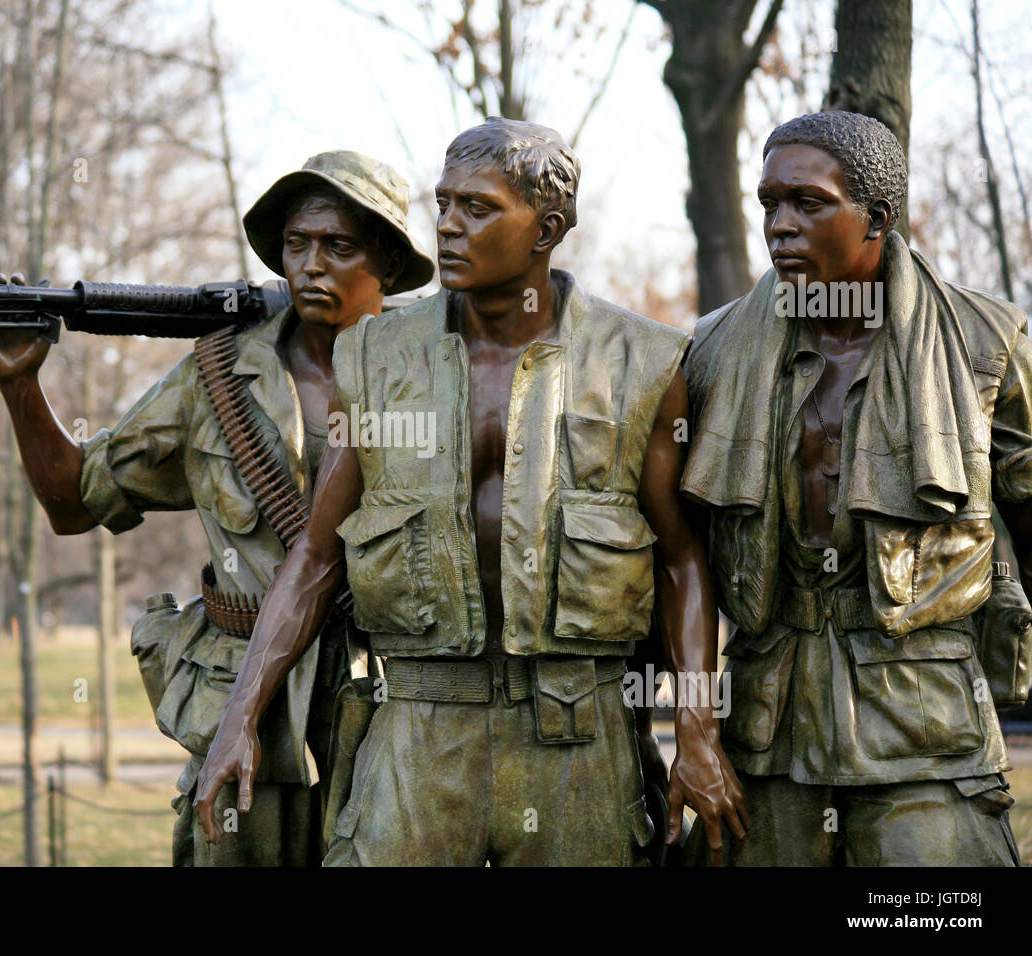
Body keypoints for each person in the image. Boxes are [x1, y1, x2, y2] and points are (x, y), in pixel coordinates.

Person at [194, 117, 747, 866]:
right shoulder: (375, 357)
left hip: (576, 733)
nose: (447, 227)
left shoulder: (640, 362)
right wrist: (241, 715)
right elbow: (317, 559)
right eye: (443, 203)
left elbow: (683, 561)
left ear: (547, 228)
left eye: (478, 209)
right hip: (419, 727)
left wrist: (698, 734)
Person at [0, 151, 434, 866]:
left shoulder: (435, 381)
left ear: (388, 265)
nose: (311, 265)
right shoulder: (216, 376)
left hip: (390, 705)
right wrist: (20, 386)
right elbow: (74, 501)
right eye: (297, 244)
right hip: (246, 711)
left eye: (339, 246)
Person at [681, 110, 1029, 865]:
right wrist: (692, 726)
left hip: (924, 724)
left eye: (808, 203)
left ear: (877, 218)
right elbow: (681, 557)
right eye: (769, 204)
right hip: (767, 721)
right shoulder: (713, 350)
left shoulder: (986, 343)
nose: (781, 226)